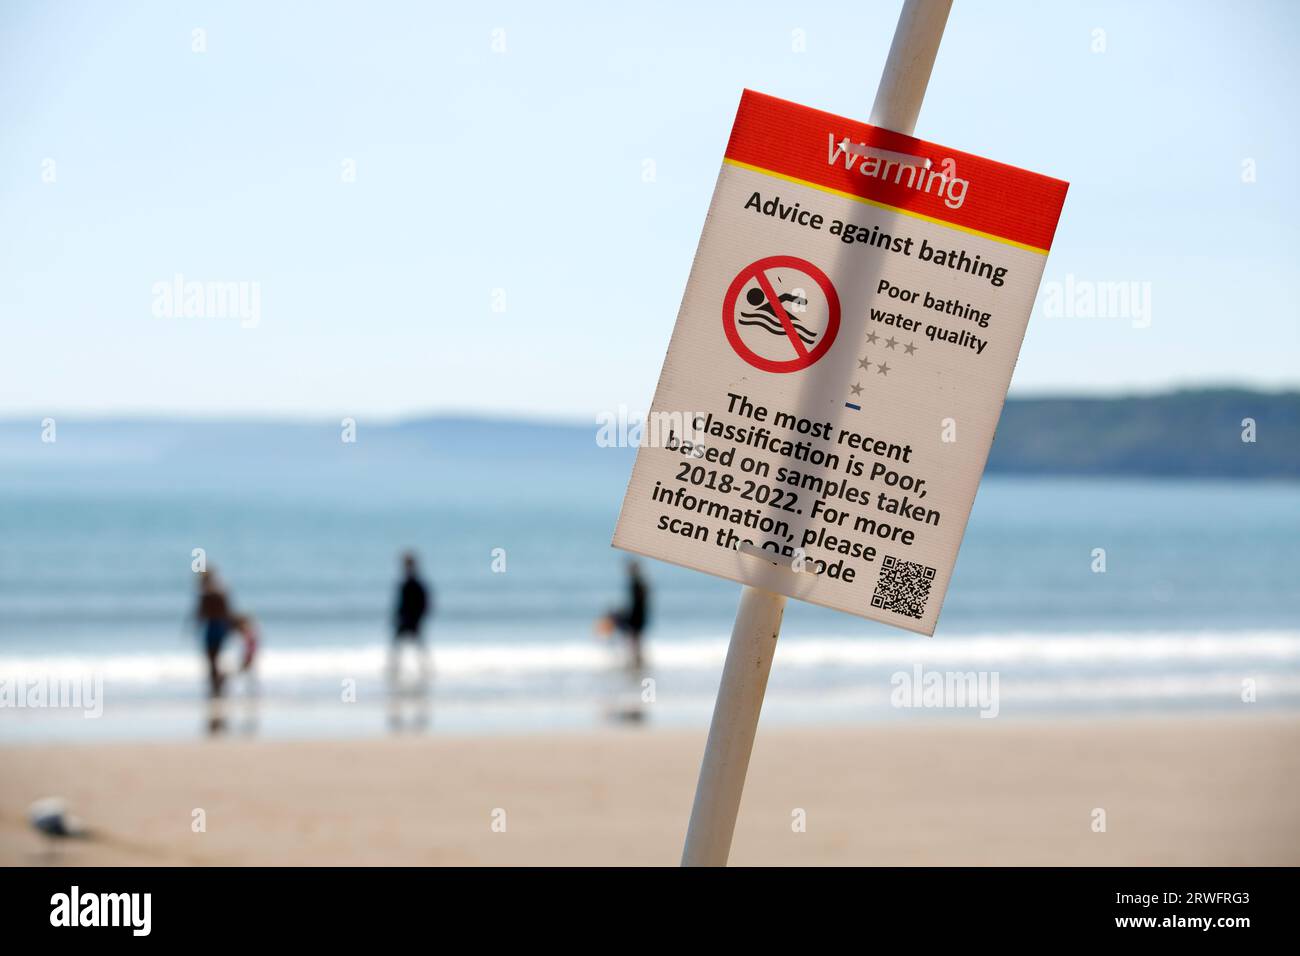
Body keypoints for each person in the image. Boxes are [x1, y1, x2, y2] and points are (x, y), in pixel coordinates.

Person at [390, 551, 433, 691]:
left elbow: (424, 604)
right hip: (405, 620)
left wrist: (418, 618)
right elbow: (400, 605)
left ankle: (424, 670)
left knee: (417, 647)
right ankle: (395, 670)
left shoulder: (415, 584)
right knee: (400, 646)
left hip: (413, 620)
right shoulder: (405, 584)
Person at [603, 560, 650, 668]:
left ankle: (632, 660)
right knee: (636, 642)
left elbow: (637, 605)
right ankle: (635, 660)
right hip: (640, 616)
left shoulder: (636, 584)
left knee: (635, 641)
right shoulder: (641, 584)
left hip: (636, 617)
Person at [195, 570, 232, 698]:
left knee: (212, 660)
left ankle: (216, 687)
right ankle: (218, 685)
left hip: (213, 628)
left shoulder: (206, 595)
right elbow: (227, 613)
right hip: (220, 627)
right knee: (215, 659)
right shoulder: (221, 592)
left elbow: (200, 615)